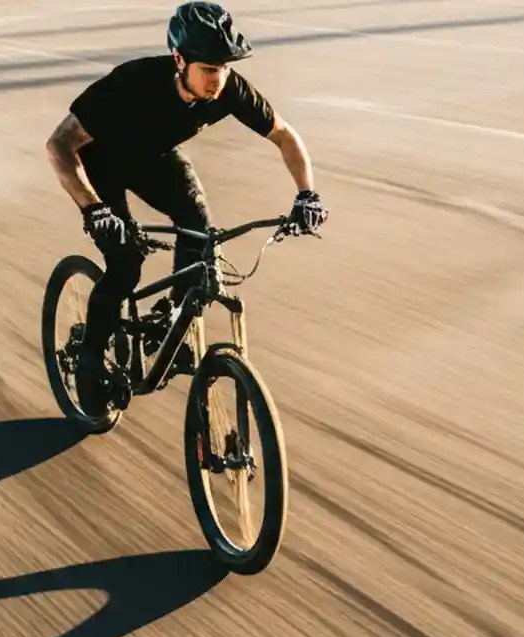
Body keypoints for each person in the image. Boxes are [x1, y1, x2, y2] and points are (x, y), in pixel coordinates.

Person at [45, 1, 328, 415]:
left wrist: (307, 194)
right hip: (99, 163)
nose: (218, 79)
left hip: (154, 158)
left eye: (224, 67)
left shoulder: (229, 88)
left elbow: (284, 136)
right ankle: (89, 360)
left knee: (201, 233)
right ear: (180, 59)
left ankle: (170, 321)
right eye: (209, 69)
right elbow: (59, 145)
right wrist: (94, 211)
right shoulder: (132, 83)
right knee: (126, 264)